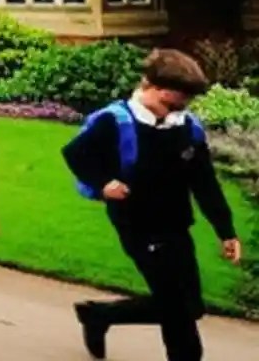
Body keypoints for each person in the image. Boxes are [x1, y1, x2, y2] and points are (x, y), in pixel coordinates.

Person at [63, 49, 242, 361]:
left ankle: (99, 315)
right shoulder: (114, 121)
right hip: (137, 224)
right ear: (151, 86)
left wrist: (225, 230)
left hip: (176, 223)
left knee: (191, 306)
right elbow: (75, 154)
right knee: (176, 309)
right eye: (169, 105)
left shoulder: (187, 128)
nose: (173, 113)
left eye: (181, 107)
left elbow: (204, 182)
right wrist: (103, 183)